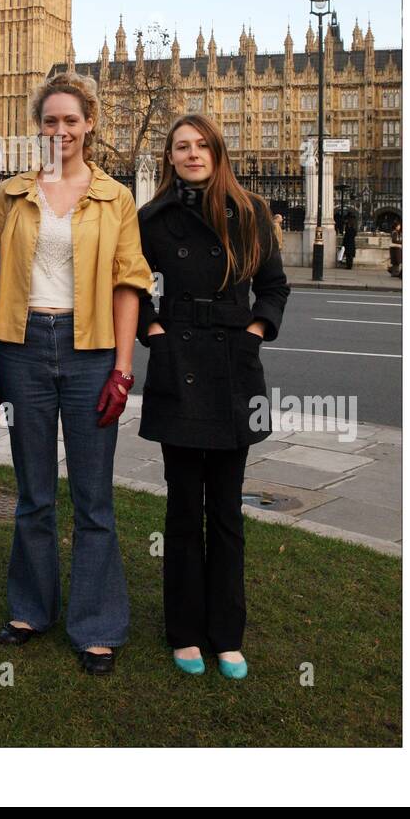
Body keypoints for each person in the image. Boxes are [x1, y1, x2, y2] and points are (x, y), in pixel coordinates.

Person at [0, 71, 153, 676]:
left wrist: (124, 370)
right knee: (32, 491)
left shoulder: (116, 197)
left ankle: (96, 624)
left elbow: (129, 283)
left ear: (90, 125)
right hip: (24, 345)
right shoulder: (12, 195)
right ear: (39, 126)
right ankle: (31, 608)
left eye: (71, 120)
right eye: (50, 120)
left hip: (90, 352)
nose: (60, 130)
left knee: (93, 495)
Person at [136, 113, 289, 680]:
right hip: (179, 366)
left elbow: (273, 286)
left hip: (231, 369)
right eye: (182, 146)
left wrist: (253, 335)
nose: (193, 153)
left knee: (226, 510)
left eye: (202, 145)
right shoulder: (152, 218)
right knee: (181, 507)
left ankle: (226, 634)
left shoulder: (247, 212)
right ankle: (183, 632)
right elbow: (130, 283)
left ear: (217, 152)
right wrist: (153, 332)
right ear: (169, 157)